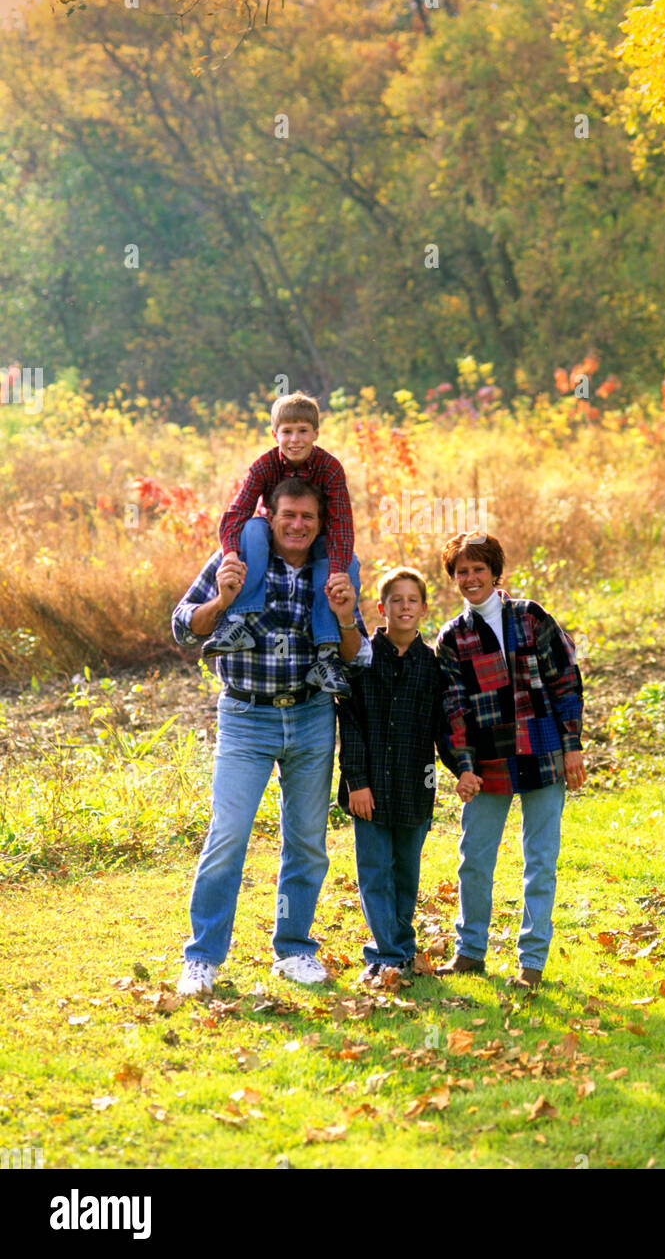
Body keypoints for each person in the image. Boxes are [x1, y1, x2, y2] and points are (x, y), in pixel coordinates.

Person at [170, 477, 371, 997]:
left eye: (308, 517)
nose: (298, 526)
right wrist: (222, 601)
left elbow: (357, 657)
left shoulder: (335, 567)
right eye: (289, 516)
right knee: (229, 835)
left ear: (321, 522)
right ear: (270, 515)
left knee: (306, 841)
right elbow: (182, 625)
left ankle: (294, 948)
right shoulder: (238, 559)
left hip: (309, 718)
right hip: (246, 717)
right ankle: (203, 957)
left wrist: (347, 618)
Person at [434, 531, 586, 988]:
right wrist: (462, 767)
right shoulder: (452, 638)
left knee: (540, 859)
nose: (470, 577)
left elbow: (565, 679)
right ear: (453, 579)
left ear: (495, 572)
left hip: (542, 751)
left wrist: (573, 744)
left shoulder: (531, 616)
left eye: (479, 569)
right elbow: (452, 710)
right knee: (474, 859)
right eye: (462, 571)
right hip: (487, 764)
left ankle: (532, 962)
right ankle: (470, 952)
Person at [335, 567, 457, 985]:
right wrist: (356, 781)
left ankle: (399, 949)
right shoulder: (362, 659)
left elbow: (444, 728)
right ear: (381, 607)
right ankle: (388, 953)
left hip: (414, 788)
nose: (404, 607)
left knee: (406, 872)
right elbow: (349, 721)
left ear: (424, 608)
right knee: (373, 873)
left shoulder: (433, 667)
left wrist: (463, 769)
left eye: (412, 600)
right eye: (396, 600)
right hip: (367, 789)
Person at [204, 390, 360, 698]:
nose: (295, 439)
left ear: (316, 433)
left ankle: (326, 655)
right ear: (275, 434)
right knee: (251, 529)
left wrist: (339, 570)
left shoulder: (330, 468)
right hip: (273, 535)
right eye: (287, 431)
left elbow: (341, 522)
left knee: (347, 563)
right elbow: (237, 511)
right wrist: (231, 554)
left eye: (303, 430)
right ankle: (237, 621)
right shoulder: (263, 465)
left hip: (316, 536)